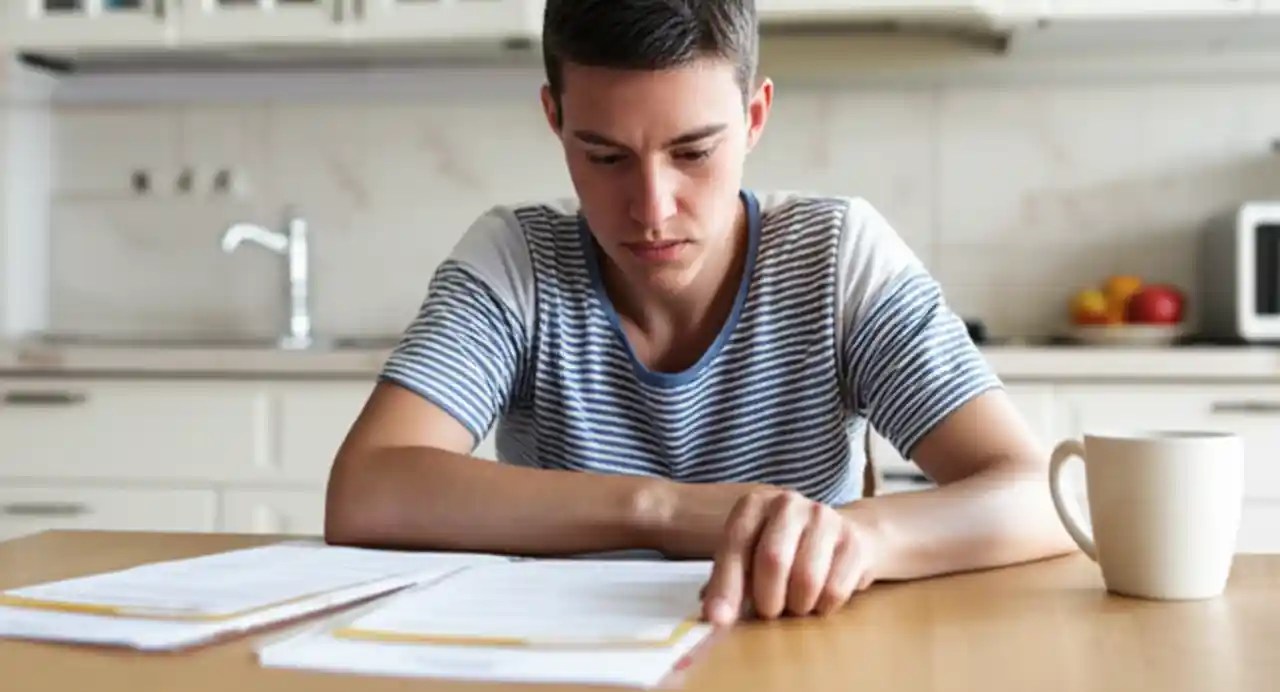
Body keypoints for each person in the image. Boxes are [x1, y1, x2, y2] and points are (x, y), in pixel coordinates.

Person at [325, 0, 1075, 626]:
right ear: (554, 118)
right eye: (606, 157)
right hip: (564, 674)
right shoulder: (516, 262)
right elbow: (366, 491)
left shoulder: (836, 258)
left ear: (754, 116)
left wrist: (855, 538)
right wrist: (662, 511)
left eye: (693, 153)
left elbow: (1046, 495)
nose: (652, 209)